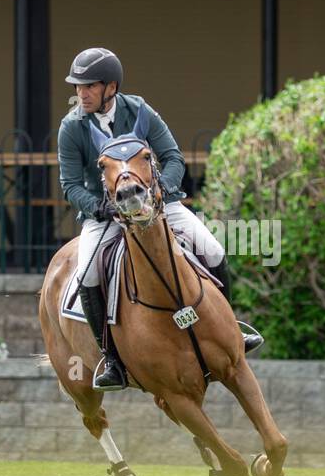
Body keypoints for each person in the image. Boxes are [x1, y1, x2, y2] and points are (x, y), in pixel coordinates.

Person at [57, 47, 263, 390]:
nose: (81, 93)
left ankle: (231, 328)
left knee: (212, 249)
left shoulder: (140, 110)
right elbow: (70, 185)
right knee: (88, 272)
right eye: (78, 87)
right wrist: (99, 207)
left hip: (158, 204)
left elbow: (173, 158)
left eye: (89, 86)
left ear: (111, 87)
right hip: (104, 214)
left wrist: (161, 193)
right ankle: (113, 359)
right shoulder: (72, 127)